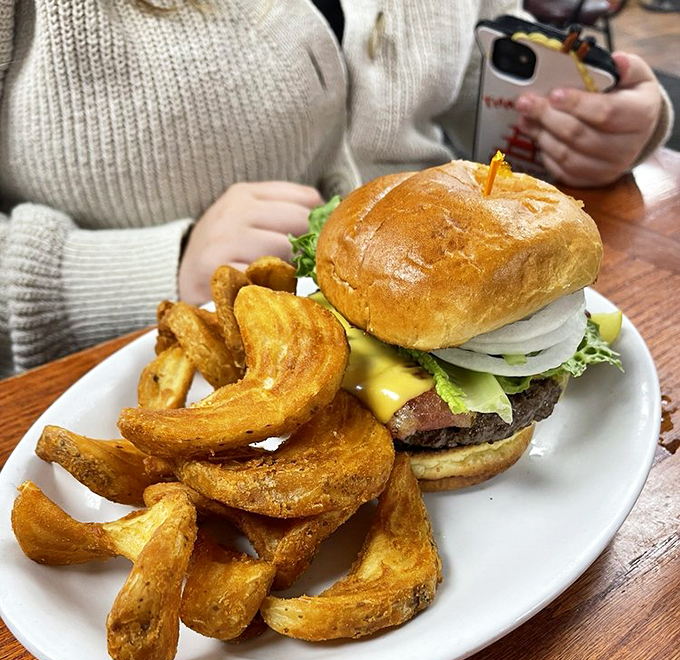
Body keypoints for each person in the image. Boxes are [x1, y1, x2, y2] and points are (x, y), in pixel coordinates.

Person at [0, 0, 673, 377]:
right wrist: (153, 267)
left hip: (483, 291)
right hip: (136, 365)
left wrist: (579, 123)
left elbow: (469, 72)